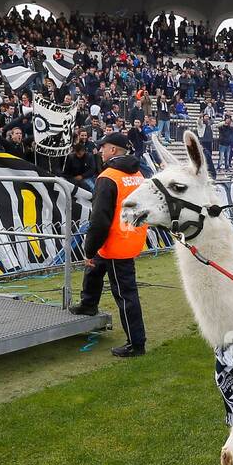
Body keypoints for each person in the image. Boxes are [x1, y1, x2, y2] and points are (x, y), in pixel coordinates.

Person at [67, 132, 147, 357]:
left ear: (113, 150)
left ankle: (136, 343)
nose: (99, 151)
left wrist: (89, 249)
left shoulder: (108, 177)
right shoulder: (138, 174)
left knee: (125, 295)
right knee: (94, 269)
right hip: (130, 237)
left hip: (115, 242)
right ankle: (88, 303)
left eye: (103, 147)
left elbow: (100, 219)